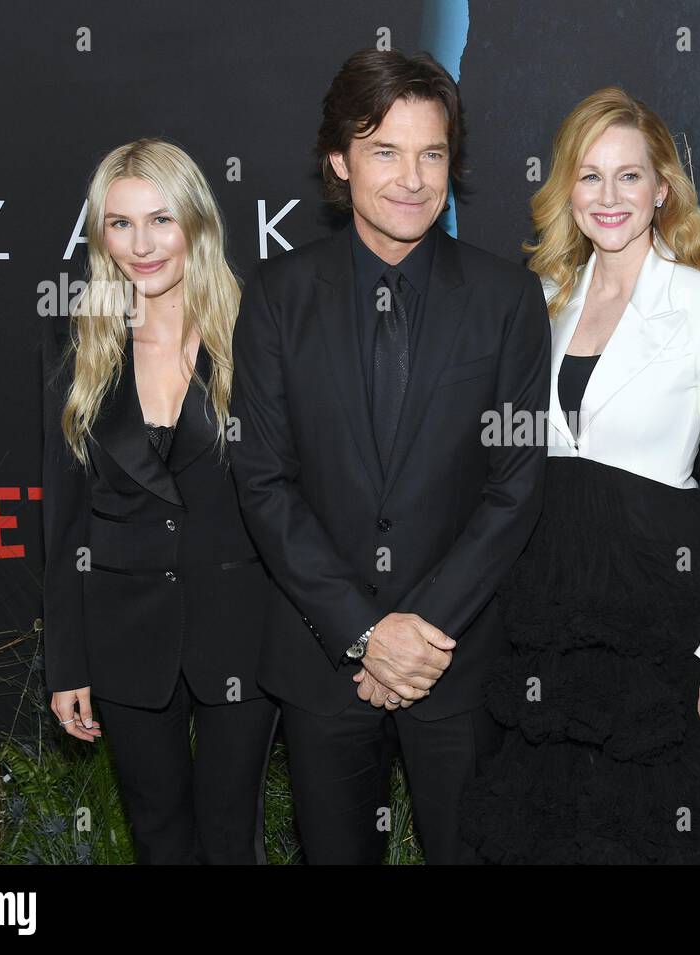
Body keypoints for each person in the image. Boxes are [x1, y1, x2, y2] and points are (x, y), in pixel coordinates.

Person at [227, 48, 550, 864]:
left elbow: (515, 485)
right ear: (339, 160)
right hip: (322, 660)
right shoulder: (275, 296)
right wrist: (364, 630)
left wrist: (420, 630)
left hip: (458, 659)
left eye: (431, 153)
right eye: (385, 152)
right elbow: (264, 483)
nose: (412, 178)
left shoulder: (507, 297)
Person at [459, 87, 700, 863]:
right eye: (590, 176)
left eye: (630, 176)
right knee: (549, 829)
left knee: (649, 830)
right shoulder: (540, 302)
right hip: (544, 608)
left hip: (655, 612)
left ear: (662, 189)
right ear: (565, 188)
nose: (609, 197)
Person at [42, 138, 279, 864]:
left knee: (231, 836)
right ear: (100, 234)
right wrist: (67, 661)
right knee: (159, 837)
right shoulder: (75, 337)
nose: (142, 245)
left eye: (161, 220)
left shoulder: (256, 329)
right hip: (123, 629)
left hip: (243, 624)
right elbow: (64, 509)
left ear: (197, 224)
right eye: (120, 223)